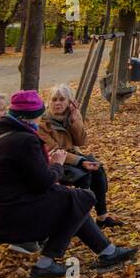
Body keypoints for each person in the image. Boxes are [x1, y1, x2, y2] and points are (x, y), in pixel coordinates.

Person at [0, 90, 137, 278]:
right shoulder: (25, 140)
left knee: (75, 200)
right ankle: (45, 263)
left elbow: (21, 177)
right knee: (83, 198)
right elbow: (44, 183)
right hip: (8, 215)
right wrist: (57, 163)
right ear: (33, 116)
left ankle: (107, 251)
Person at [38, 85, 122, 228]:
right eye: (54, 99)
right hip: (53, 161)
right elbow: (53, 150)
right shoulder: (42, 122)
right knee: (84, 176)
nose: (57, 103)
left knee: (98, 170)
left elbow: (81, 141)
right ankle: (82, 223)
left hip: (71, 156)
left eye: (62, 99)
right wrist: (81, 161)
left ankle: (102, 218)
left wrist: (74, 120)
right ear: (49, 101)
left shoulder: (72, 115)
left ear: (69, 102)